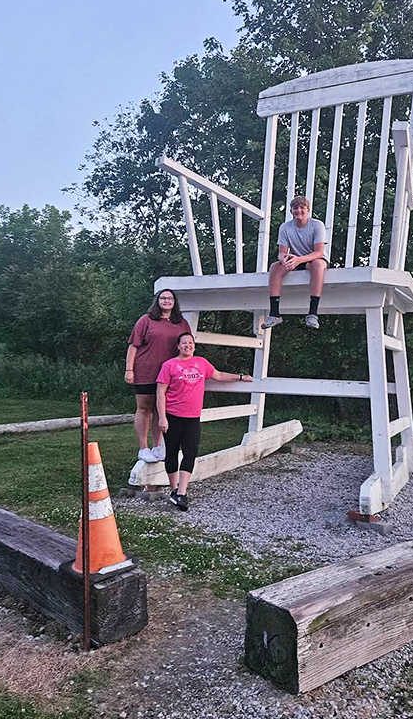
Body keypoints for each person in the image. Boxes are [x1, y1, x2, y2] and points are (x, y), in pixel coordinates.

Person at [156, 332, 252, 511]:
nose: (187, 346)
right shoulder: (169, 365)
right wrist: (162, 417)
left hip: (193, 417)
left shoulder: (201, 363)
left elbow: (219, 375)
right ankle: (174, 489)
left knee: (190, 452)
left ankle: (182, 493)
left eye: (190, 343)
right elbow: (160, 393)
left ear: (194, 346)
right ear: (178, 346)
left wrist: (240, 377)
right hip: (172, 416)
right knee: (171, 453)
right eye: (184, 343)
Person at [124, 290, 192, 468]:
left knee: (160, 409)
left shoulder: (182, 323)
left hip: (170, 374)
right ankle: (143, 448)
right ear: (157, 301)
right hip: (146, 371)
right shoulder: (146, 320)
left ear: (174, 302)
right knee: (144, 408)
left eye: (170, 298)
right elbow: (133, 346)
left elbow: (186, 347)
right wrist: (129, 369)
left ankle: (157, 446)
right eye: (163, 298)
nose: (167, 301)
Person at [261, 195, 328, 330]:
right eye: (295, 208)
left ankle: (312, 314)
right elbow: (282, 252)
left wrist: (299, 259)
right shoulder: (285, 227)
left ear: (308, 210)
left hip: (313, 259)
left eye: (302, 208)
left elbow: (319, 252)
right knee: (275, 266)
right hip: (295, 259)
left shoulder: (317, 225)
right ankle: (274, 314)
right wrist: (283, 260)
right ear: (291, 211)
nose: (299, 211)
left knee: (317, 264)